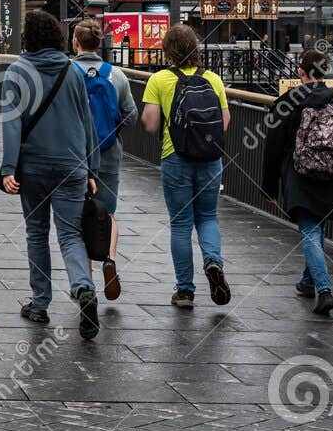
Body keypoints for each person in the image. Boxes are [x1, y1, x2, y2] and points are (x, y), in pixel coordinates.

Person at [0, 10, 101, 340]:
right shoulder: (72, 71)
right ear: (58, 37)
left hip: (34, 166)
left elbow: (12, 124)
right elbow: (87, 123)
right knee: (71, 235)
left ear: (27, 38)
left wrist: (8, 168)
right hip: (72, 165)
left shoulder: (17, 71)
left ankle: (40, 303)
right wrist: (92, 168)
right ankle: (82, 286)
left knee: (37, 232)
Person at [141, 23, 232, 309]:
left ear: (168, 50)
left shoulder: (159, 80)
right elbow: (225, 121)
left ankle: (185, 292)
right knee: (207, 217)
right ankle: (213, 263)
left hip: (175, 158)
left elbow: (151, 123)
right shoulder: (214, 79)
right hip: (210, 159)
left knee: (181, 224)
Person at [262, 47, 333, 316]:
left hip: (300, 176)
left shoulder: (288, 102)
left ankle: (324, 290)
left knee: (310, 230)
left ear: (301, 73)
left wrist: (269, 187)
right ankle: (308, 281)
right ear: (324, 72)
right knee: (316, 227)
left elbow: (273, 147)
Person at [71, 19, 136, 300]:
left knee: (76, 221)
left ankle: (85, 283)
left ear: (75, 43)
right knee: (107, 212)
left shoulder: (68, 72)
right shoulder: (116, 75)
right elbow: (132, 115)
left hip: (75, 155)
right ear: (99, 44)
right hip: (108, 153)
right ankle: (109, 259)